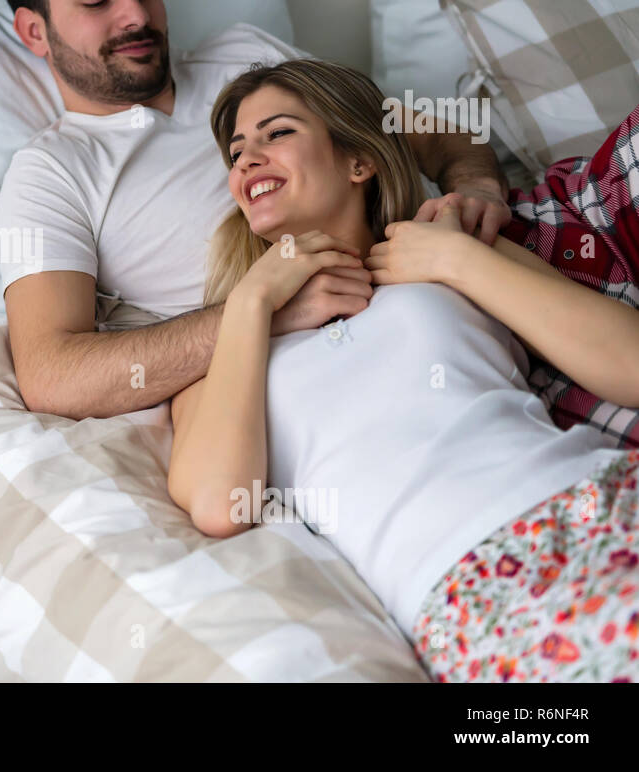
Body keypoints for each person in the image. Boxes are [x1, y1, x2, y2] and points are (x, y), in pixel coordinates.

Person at [167, 57, 639, 681]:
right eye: (236, 152)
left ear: (358, 160)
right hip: (471, 587)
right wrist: (252, 303)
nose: (247, 159)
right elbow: (219, 504)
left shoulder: (443, 248)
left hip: (603, 494)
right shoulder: (227, 354)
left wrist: (457, 260)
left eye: (276, 133)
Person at [0, 0, 511, 421]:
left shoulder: (242, 56)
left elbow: (420, 131)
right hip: (368, 352)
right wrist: (263, 312)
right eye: (98, 1)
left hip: (472, 269)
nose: (135, 15)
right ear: (35, 31)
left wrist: (477, 189)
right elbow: (52, 375)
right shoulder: (51, 172)